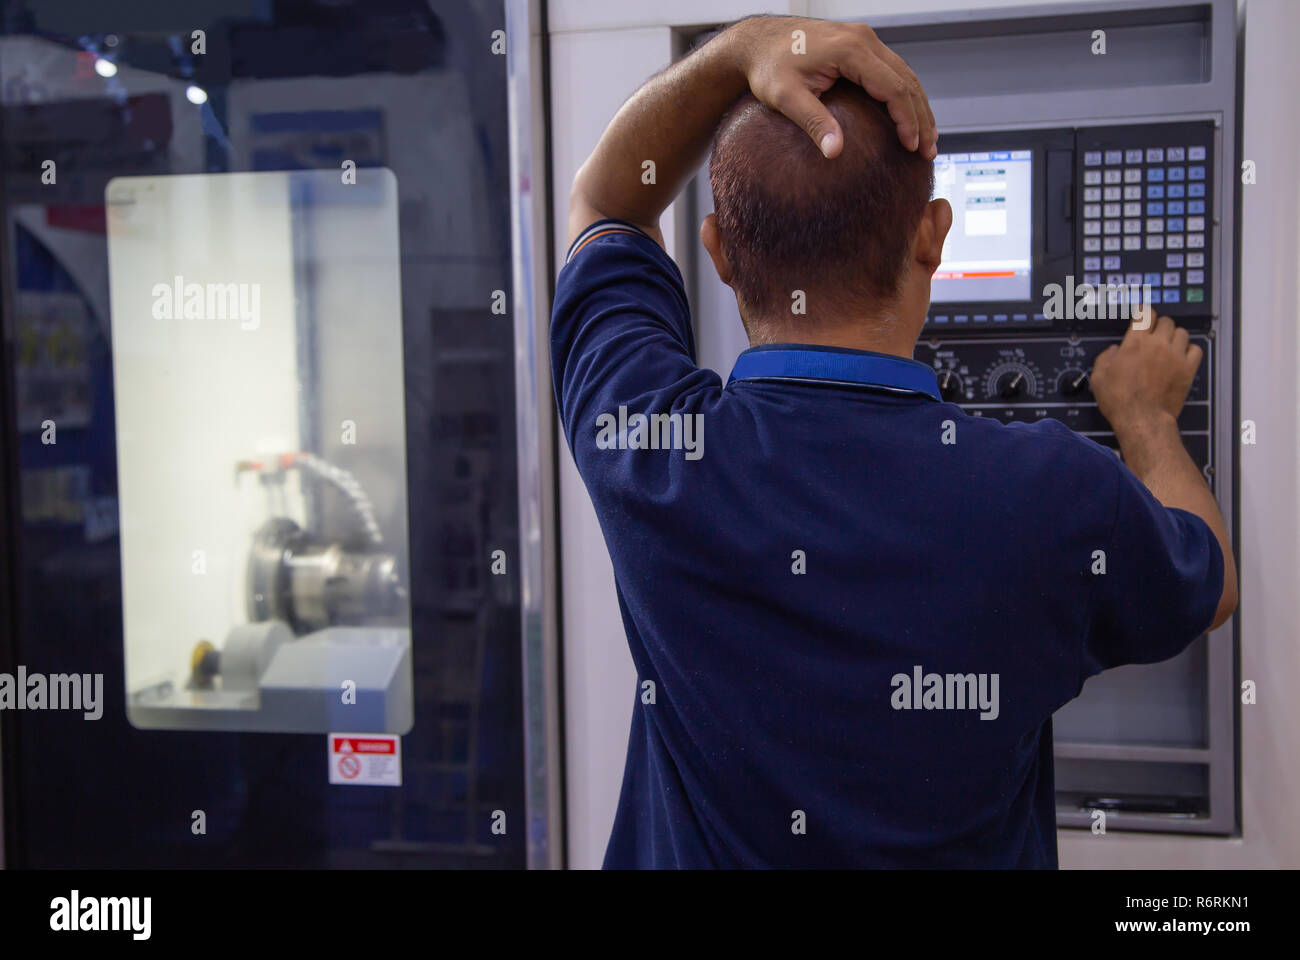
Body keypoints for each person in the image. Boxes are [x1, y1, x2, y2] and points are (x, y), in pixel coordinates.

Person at [551, 15, 1237, 868]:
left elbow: (607, 199)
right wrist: (1146, 421)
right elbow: (1207, 581)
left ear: (719, 251)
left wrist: (741, 50)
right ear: (933, 233)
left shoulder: (655, 452)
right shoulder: (1054, 493)